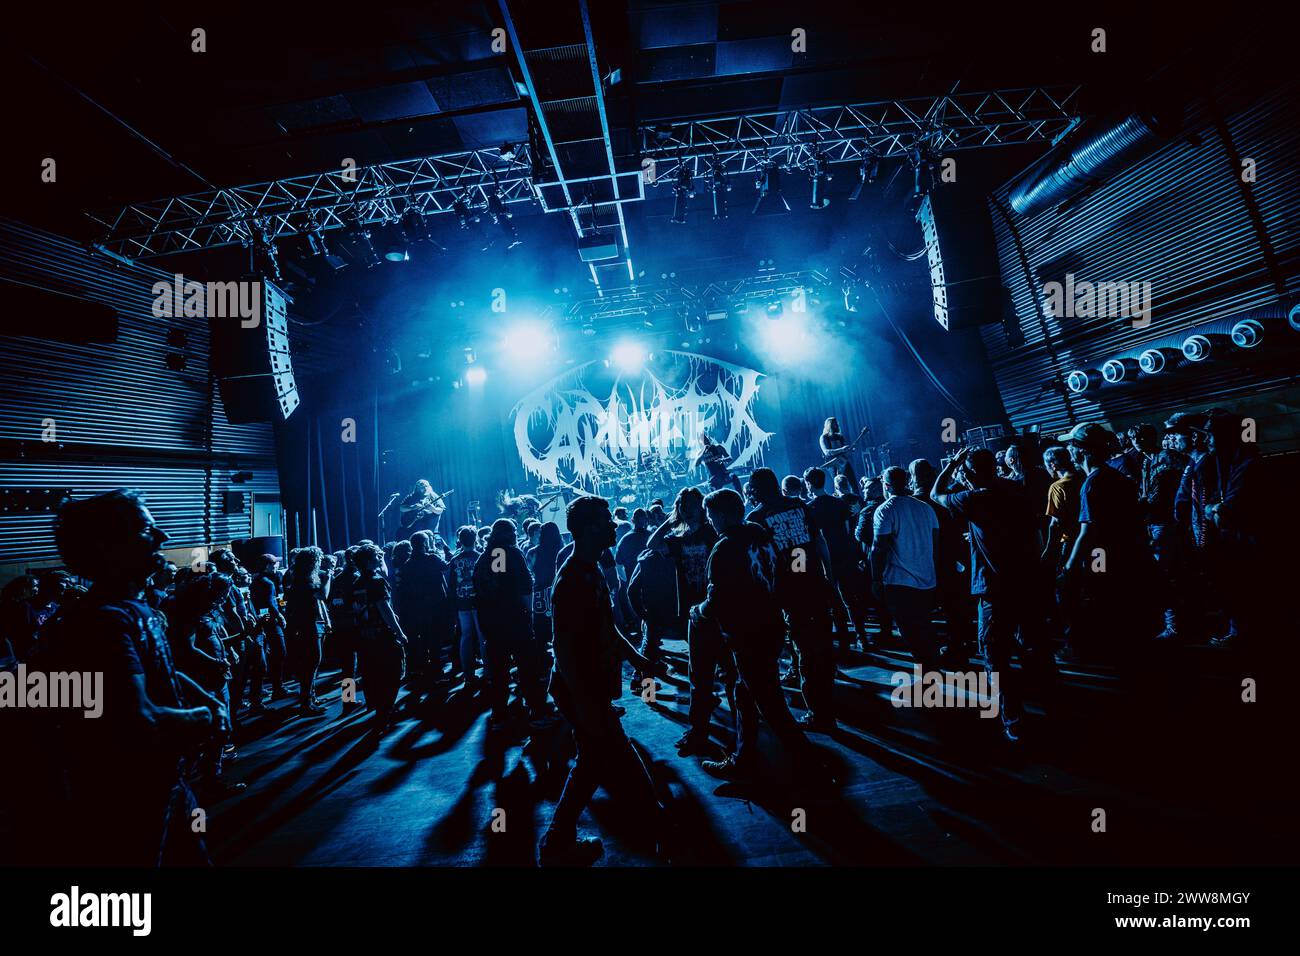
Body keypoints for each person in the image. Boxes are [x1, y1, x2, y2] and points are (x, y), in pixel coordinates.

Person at [28, 490, 224, 866]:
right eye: (147, 529)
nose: (162, 537)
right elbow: (138, 716)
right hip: (127, 790)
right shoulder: (104, 620)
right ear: (108, 546)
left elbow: (159, 670)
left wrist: (205, 696)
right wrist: (200, 718)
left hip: (166, 780)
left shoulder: (135, 607)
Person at [541, 495, 667, 866]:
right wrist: (584, 703)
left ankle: (556, 843)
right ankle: (658, 821)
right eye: (607, 520)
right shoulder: (573, 578)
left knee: (593, 762)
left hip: (587, 690)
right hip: (580, 690)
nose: (614, 525)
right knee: (610, 754)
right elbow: (562, 646)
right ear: (589, 528)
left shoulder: (590, 569)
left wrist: (640, 660)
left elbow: (608, 629)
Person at [693, 489, 826, 781]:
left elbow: (717, 598)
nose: (709, 520)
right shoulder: (759, 535)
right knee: (744, 695)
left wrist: (698, 612)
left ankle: (812, 767)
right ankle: (743, 761)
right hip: (771, 625)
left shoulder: (724, 548)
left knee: (771, 704)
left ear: (724, 515)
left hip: (747, 633)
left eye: (712, 514)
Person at [932, 448, 1055, 742]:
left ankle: (1013, 719)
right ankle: (1053, 703)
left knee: (995, 654)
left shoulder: (974, 498)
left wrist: (951, 465)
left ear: (971, 474)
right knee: (1034, 644)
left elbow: (937, 494)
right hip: (1026, 582)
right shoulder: (1014, 489)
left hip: (993, 590)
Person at [747, 467, 836, 731]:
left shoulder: (757, 517)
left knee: (805, 651)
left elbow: (758, 563)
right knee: (823, 646)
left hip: (788, 591)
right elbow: (819, 542)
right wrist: (829, 576)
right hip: (814, 582)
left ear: (754, 489)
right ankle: (826, 707)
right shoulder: (800, 505)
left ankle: (819, 714)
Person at [1060, 423, 1153, 662]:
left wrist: (1070, 566)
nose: (1069, 450)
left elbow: (1087, 530)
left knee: (1107, 610)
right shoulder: (1115, 477)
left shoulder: (1092, 483)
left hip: (1105, 560)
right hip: (1128, 557)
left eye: (1071, 445)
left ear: (1081, 450)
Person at [644, 487, 726, 756]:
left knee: (730, 673)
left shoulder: (712, 532)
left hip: (722, 611)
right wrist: (672, 517)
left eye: (694, 504)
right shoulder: (678, 539)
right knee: (699, 676)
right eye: (685, 505)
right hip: (694, 613)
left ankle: (743, 730)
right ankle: (699, 731)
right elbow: (652, 545)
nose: (690, 510)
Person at [473, 519, 550, 732]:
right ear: (507, 534)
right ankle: (536, 713)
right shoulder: (504, 553)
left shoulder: (484, 556)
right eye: (514, 531)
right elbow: (515, 586)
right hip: (513, 620)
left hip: (492, 623)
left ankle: (499, 716)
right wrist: (531, 613)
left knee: (498, 672)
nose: (517, 535)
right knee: (528, 668)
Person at [870, 467, 941, 673]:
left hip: (900, 583)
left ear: (886, 485)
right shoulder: (926, 508)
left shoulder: (886, 509)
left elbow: (878, 548)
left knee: (911, 633)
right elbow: (935, 543)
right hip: (927, 580)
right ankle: (932, 669)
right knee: (925, 627)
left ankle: (927, 675)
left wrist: (875, 579)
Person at [804, 466, 866, 654]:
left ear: (808, 484)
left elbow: (814, 538)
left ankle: (845, 642)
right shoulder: (838, 503)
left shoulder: (809, 509)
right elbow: (848, 530)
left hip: (825, 559)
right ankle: (862, 637)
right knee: (851, 599)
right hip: (844, 554)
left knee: (834, 601)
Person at [350, 543, 409, 732]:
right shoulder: (377, 581)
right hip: (382, 633)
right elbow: (385, 609)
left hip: (363, 635)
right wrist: (399, 632)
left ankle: (367, 706)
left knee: (370, 672)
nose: (380, 557)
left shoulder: (355, 584)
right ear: (369, 560)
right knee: (393, 671)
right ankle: (385, 710)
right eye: (376, 555)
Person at [284, 546, 331, 717]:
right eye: (318, 560)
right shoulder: (304, 582)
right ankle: (306, 703)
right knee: (311, 663)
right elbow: (322, 596)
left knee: (312, 663)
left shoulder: (301, 579)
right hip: (309, 626)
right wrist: (329, 577)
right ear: (313, 562)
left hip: (312, 624)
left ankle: (311, 697)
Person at [397, 530, 449, 682]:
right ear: (425, 543)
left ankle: (427, 671)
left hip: (418, 607)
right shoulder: (432, 558)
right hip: (436, 604)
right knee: (435, 640)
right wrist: (444, 549)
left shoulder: (408, 563)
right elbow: (447, 566)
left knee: (424, 639)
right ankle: (437, 672)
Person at [446, 526, 485, 688]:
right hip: (479, 602)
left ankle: (468, 675)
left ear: (460, 541)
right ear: (475, 539)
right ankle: (489, 672)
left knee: (466, 636)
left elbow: (451, 585)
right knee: (483, 637)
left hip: (462, 602)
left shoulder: (454, 560)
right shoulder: (481, 558)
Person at [250, 554, 289, 701]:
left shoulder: (257, 581)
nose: (277, 566)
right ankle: (278, 688)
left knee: (266, 655)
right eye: (274, 564)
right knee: (280, 651)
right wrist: (280, 616)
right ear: (267, 566)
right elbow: (271, 603)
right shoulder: (268, 583)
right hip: (271, 620)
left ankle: (270, 688)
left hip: (261, 620)